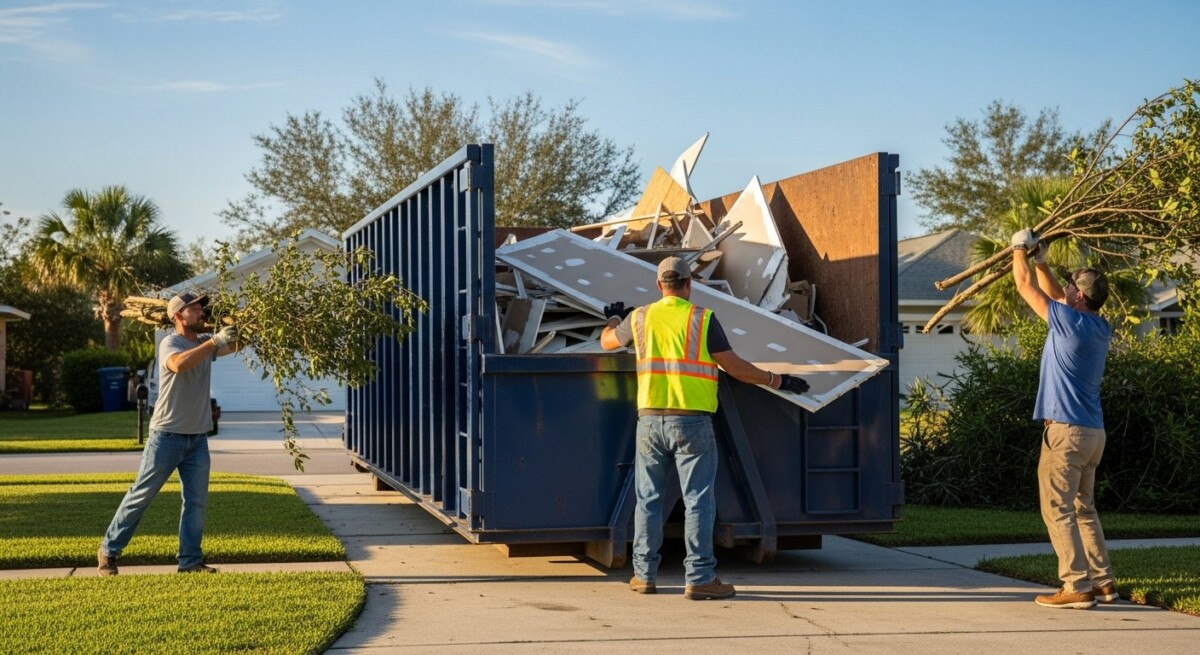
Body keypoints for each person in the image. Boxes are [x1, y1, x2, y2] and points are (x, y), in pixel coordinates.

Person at [600, 256, 809, 600]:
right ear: (689, 284)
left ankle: (643, 576)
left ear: (658, 285)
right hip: (692, 421)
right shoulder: (702, 319)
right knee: (698, 501)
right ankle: (699, 579)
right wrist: (778, 379)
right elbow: (737, 368)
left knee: (647, 500)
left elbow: (607, 340)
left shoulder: (639, 318)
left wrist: (613, 318)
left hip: (650, 421)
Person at [97, 292, 240, 576]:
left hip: (197, 439)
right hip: (167, 436)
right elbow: (178, 364)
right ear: (178, 315)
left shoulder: (202, 342)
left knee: (196, 502)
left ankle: (190, 563)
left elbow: (235, 345)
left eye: (202, 308)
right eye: (195, 309)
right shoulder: (170, 343)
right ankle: (108, 551)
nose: (201, 312)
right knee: (141, 495)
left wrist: (235, 323)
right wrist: (215, 339)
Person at [1010, 228, 1116, 610]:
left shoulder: (1069, 323)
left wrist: (1018, 248)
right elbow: (1055, 294)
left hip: (1067, 433)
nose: (1066, 288)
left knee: (1057, 508)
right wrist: (1041, 259)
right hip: (1092, 433)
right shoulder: (1098, 327)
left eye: (1073, 285)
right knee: (1083, 509)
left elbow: (1025, 287)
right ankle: (1103, 583)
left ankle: (1076, 586)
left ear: (1081, 296)